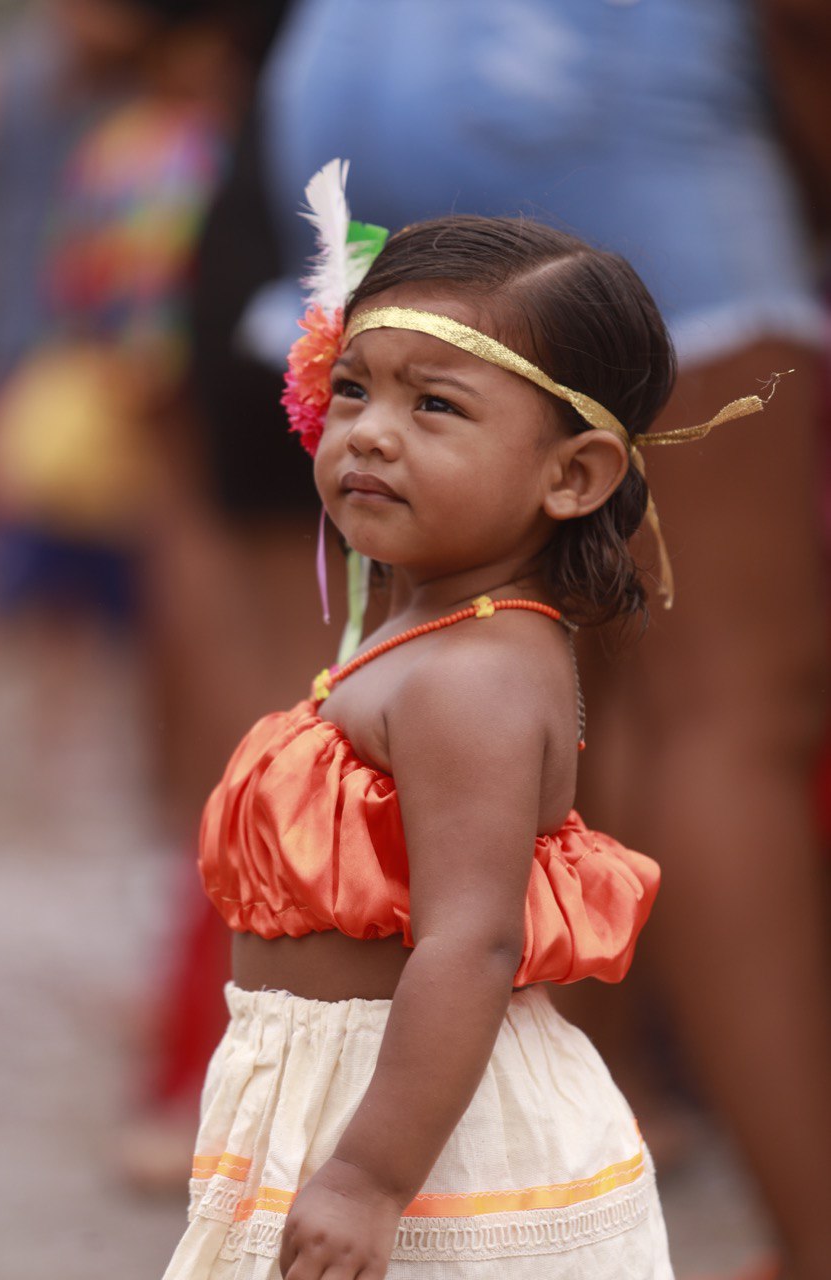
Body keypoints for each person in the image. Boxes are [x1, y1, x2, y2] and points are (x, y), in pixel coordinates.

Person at [257, 8, 831, 1276]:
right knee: (728, 707)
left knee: (523, 659)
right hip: (596, 71)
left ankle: (574, 1130)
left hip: (347, 65)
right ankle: (811, 1230)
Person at [153, 180, 787, 1275]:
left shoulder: (475, 677)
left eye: (434, 406)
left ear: (572, 474)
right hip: (343, 1099)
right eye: (351, 390)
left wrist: (365, 1177)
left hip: (422, 1143)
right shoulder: (428, 636)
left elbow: (471, 939)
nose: (371, 436)